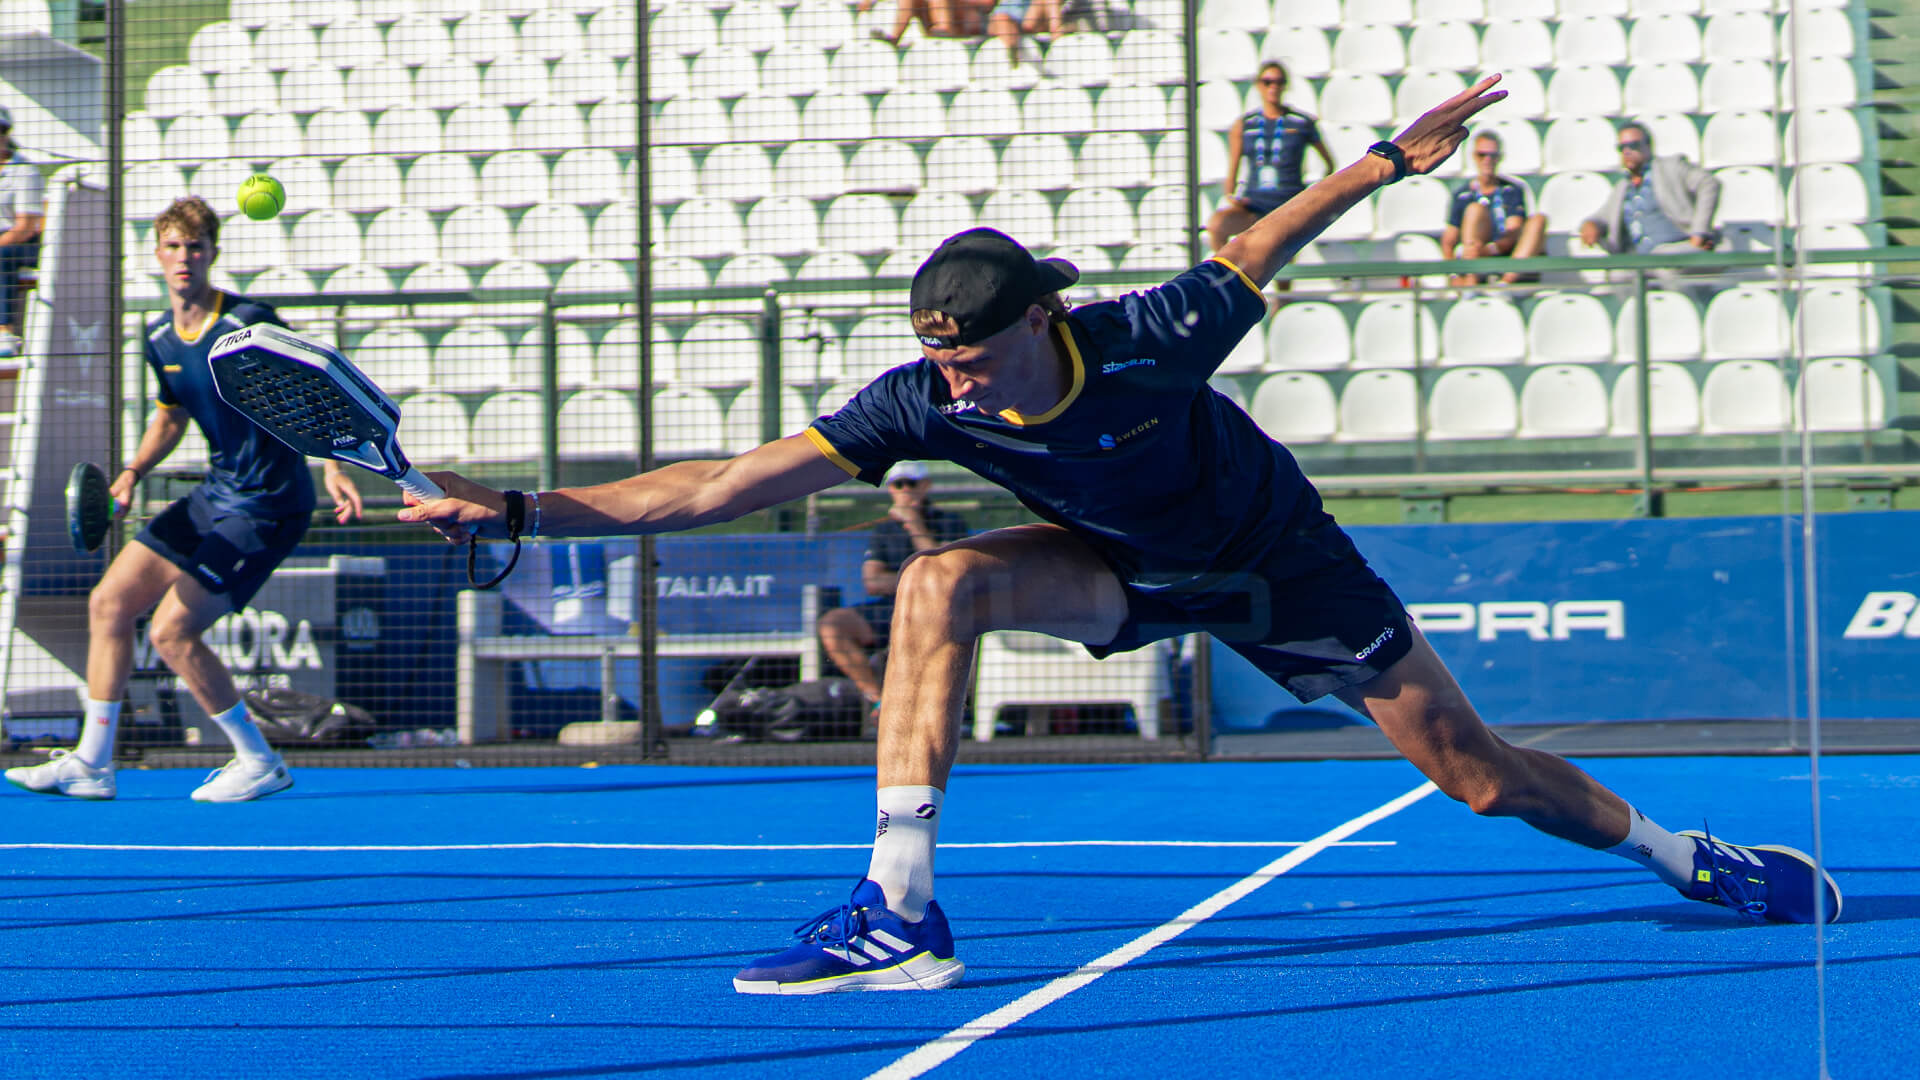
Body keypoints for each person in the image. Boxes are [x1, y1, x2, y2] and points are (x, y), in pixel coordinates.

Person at [399, 77, 1842, 996]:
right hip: (1130, 577)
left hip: (1280, 565)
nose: (952, 376)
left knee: (1475, 780)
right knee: (942, 581)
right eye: (934, 356)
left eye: (969, 352)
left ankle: (1683, 854)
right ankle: (899, 907)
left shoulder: (1147, 339)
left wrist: (1398, 164)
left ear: (1038, 321)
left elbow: (1263, 245)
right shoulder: (924, 402)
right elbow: (712, 487)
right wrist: (519, 509)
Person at [3, 196, 363, 803]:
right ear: (158, 255)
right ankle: (92, 763)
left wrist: (333, 465)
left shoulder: (248, 321)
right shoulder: (161, 336)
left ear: (212, 254)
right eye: (173, 246)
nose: (184, 259)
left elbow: (312, 386)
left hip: (270, 503)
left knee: (172, 630)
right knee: (110, 603)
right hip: (216, 492)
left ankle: (258, 759)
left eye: (195, 247)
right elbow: (171, 417)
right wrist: (131, 471)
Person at [816, 461, 970, 717]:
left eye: (911, 484)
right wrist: (917, 581)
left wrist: (914, 525)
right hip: (892, 608)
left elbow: (943, 574)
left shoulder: (949, 523)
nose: (905, 490)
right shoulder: (884, 531)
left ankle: (945, 709)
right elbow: (873, 582)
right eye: (898, 485)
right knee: (833, 624)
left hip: (938, 611)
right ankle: (879, 701)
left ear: (925, 486)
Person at [1206, 62, 1336, 254]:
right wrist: (1232, 197)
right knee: (1218, 225)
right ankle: (1228, 278)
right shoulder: (1244, 124)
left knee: (1278, 257)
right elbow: (1232, 169)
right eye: (1267, 82)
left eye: (1278, 81)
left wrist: (1311, 196)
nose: (1273, 87)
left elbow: (1329, 164)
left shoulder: (1302, 123)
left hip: (1289, 205)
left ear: (1285, 86)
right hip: (1255, 206)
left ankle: (1285, 282)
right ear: (1258, 85)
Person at [1579, 122, 1720, 259]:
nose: (1627, 152)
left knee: (1662, 261)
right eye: (1622, 148)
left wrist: (1699, 233)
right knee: (1617, 274)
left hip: (1676, 250)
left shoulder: (1671, 167)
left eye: (1633, 146)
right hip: (1638, 261)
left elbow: (1708, 183)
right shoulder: (1622, 187)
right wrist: (1590, 224)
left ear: (1648, 146)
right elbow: (1602, 217)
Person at [1440, 130, 1547, 286]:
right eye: (1482, 155)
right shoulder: (1462, 194)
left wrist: (1489, 250)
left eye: (1493, 155)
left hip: (1507, 257)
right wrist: (1453, 276)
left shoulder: (1512, 190)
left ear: (1500, 158)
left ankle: (1505, 283)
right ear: (1474, 157)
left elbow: (1513, 233)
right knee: (1474, 210)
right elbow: (1449, 240)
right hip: (1476, 256)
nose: (1487, 160)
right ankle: (1471, 282)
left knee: (1538, 221)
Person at [0, 104, 46, 359]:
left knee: (1, 256)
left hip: (21, 242)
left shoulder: (24, 171)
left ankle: (4, 330)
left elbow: (26, 227)